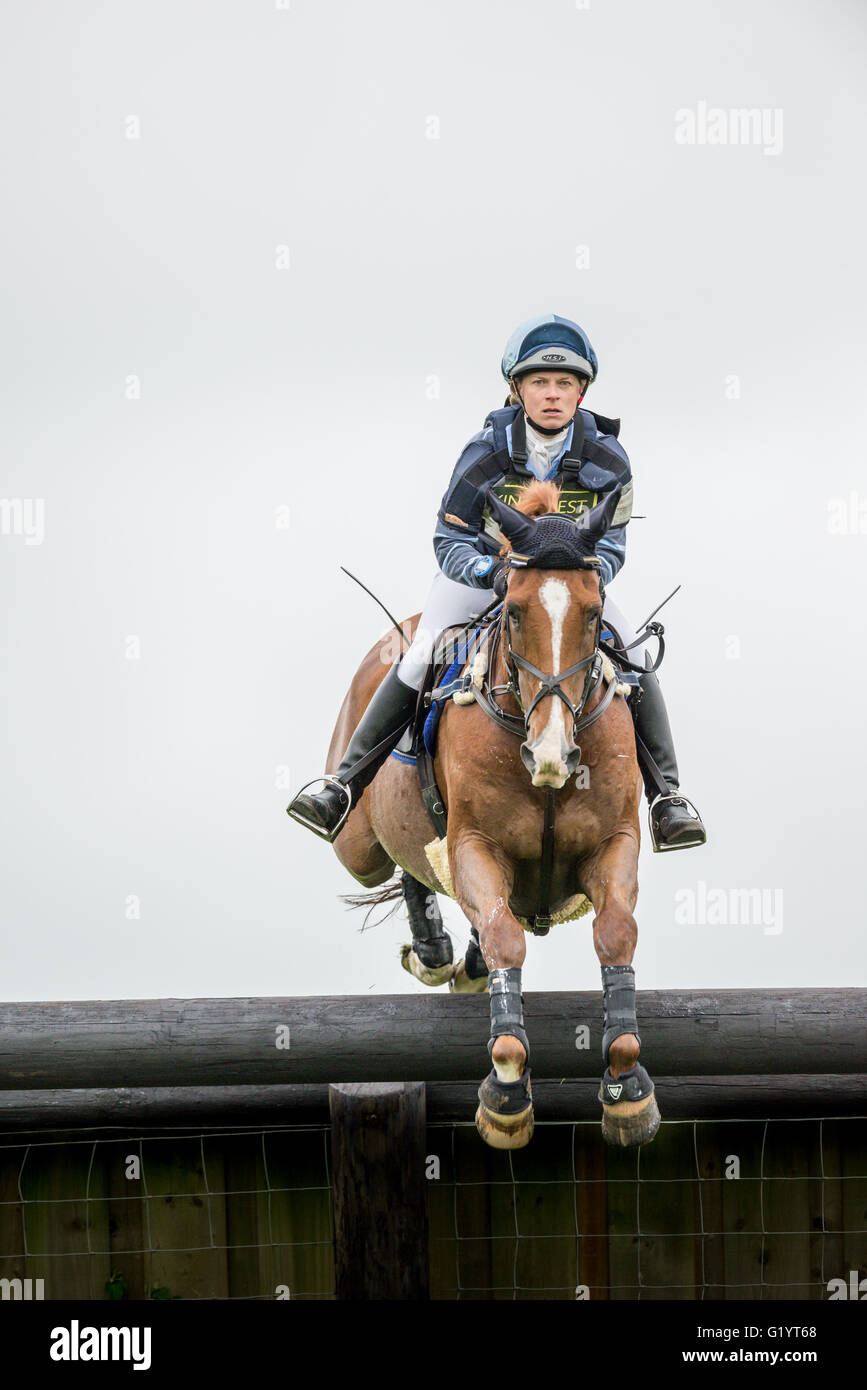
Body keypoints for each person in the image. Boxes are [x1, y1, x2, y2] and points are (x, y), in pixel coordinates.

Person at [287, 314, 706, 851]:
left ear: (582, 391)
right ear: (517, 389)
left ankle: (667, 799)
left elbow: (614, 545)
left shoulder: (610, 459)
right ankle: (342, 786)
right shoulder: (483, 452)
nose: (552, 395)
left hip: (565, 584)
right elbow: (448, 539)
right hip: (485, 578)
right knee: (421, 652)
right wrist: (490, 572)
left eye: (564, 384)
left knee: (635, 658)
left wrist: (588, 577)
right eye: (539, 383)